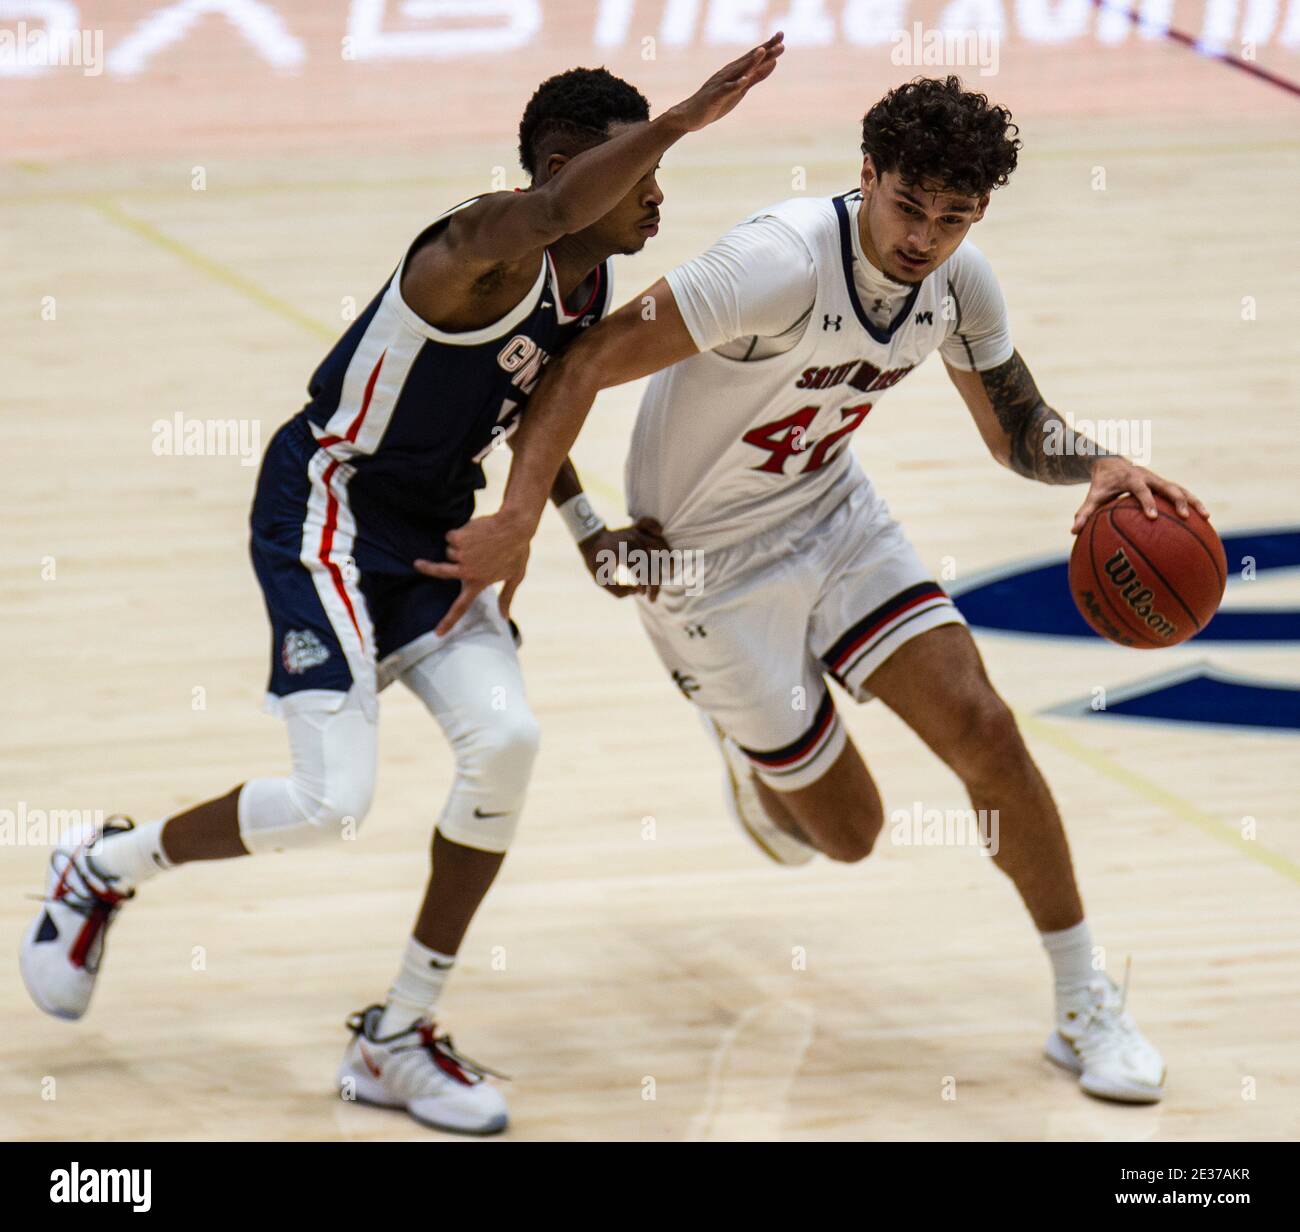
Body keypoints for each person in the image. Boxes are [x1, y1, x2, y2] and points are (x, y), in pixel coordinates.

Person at [20, 37, 785, 1136]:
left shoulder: (585, 280)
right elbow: (537, 218)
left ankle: (394, 1035)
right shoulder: (475, 246)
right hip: (326, 513)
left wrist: (571, 526)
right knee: (332, 801)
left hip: (431, 528)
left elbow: (535, 408)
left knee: (509, 740)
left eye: (662, 177)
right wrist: (676, 119)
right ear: (562, 167)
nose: (658, 199)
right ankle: (101, 867)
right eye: (639, 175)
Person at [426, 75, 1211, 1106]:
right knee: (844, 835)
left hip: (831, 513)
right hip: (699, 563)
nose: (925, 236)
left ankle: (1082, 1001)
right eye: (909, 206)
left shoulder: (958, 283)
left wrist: (1101, 463)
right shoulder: (775, 262)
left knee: (986, 729)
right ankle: (743, 751)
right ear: (867, 177)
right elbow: (572, 371)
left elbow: (1016, 428)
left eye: (954, 217)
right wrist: (564, 525)